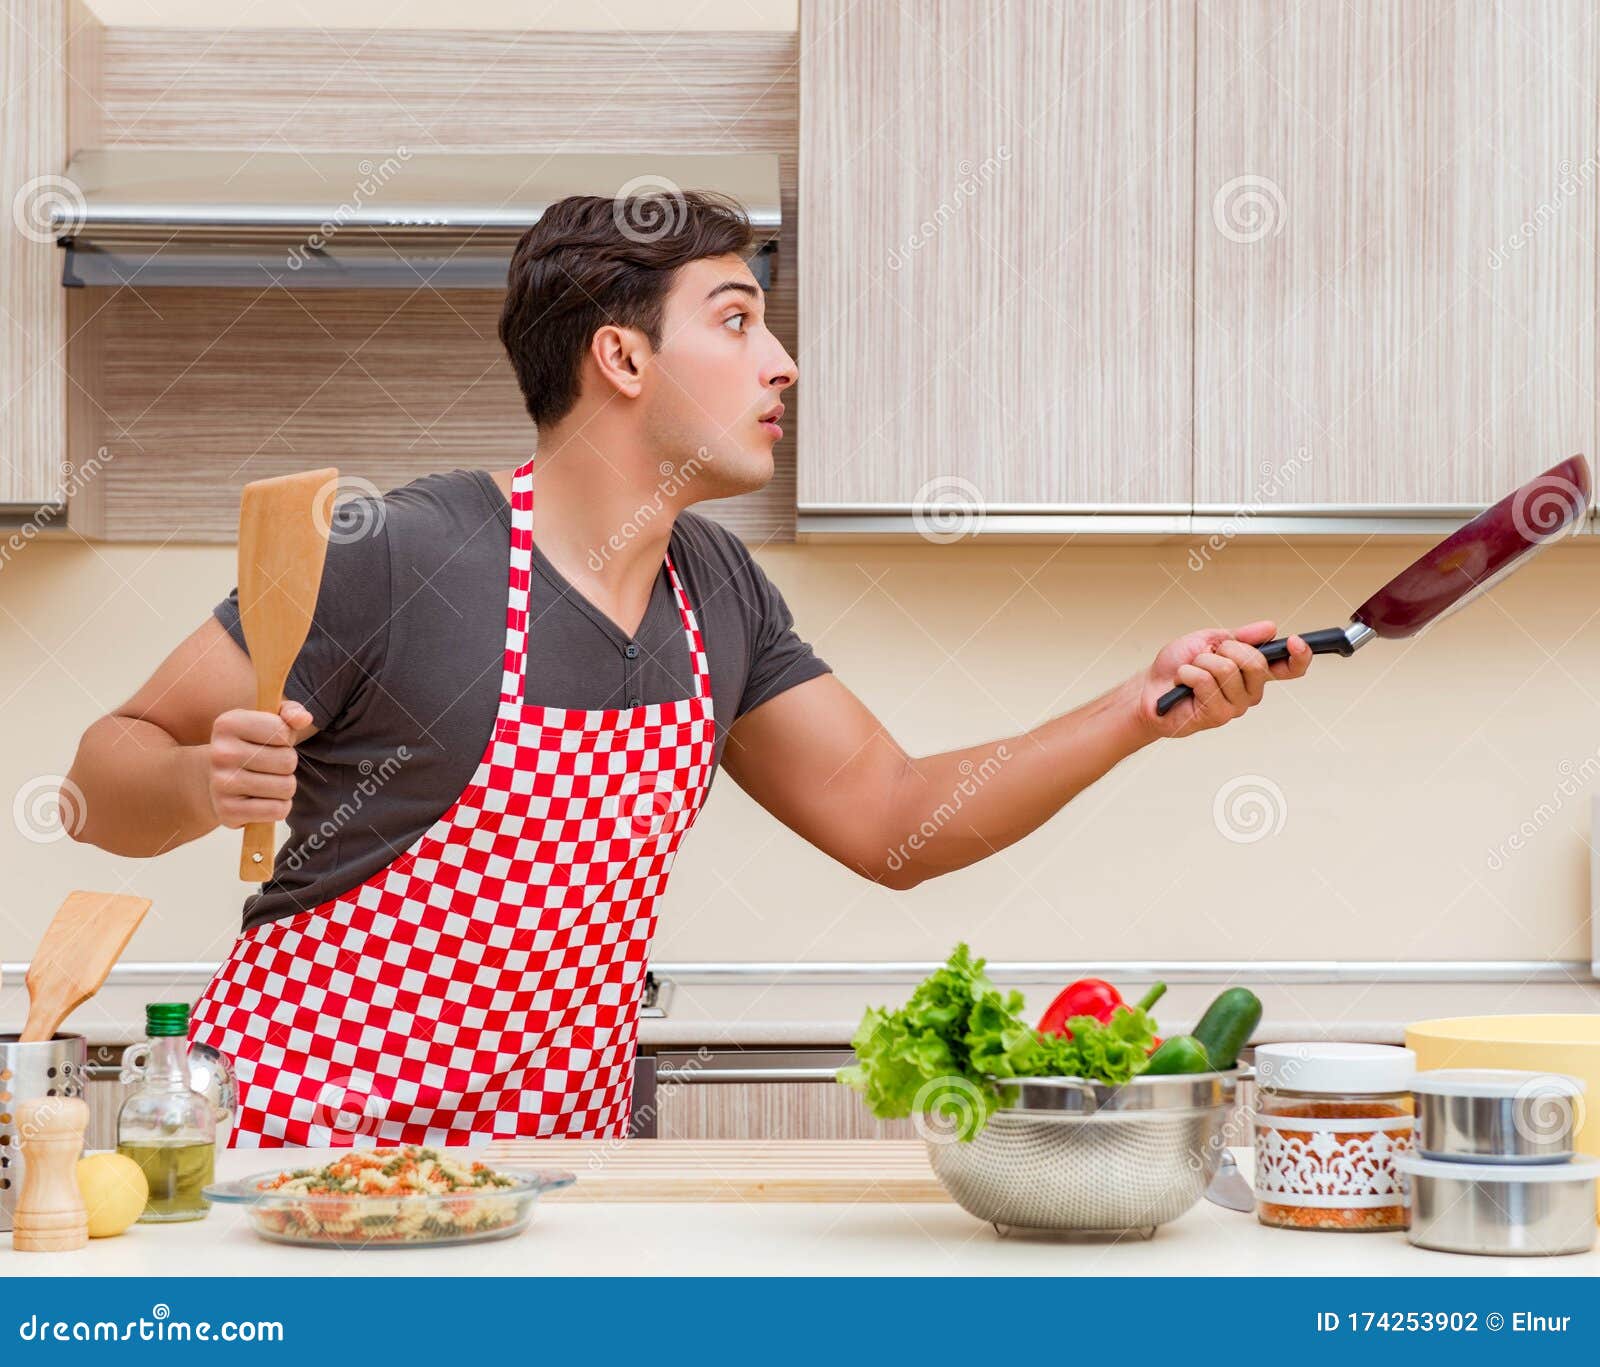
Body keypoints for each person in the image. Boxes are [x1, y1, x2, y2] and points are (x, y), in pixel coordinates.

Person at [65, 190, 1312, 1146]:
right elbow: (100, 772)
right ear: (620, 359)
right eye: (736, 322)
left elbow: (892, 820)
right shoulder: (401, 554)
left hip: (561, 1181)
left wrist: (1135, 711)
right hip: (294, 1164)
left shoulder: (716, 593)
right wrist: (195, 788)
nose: (783, 363)